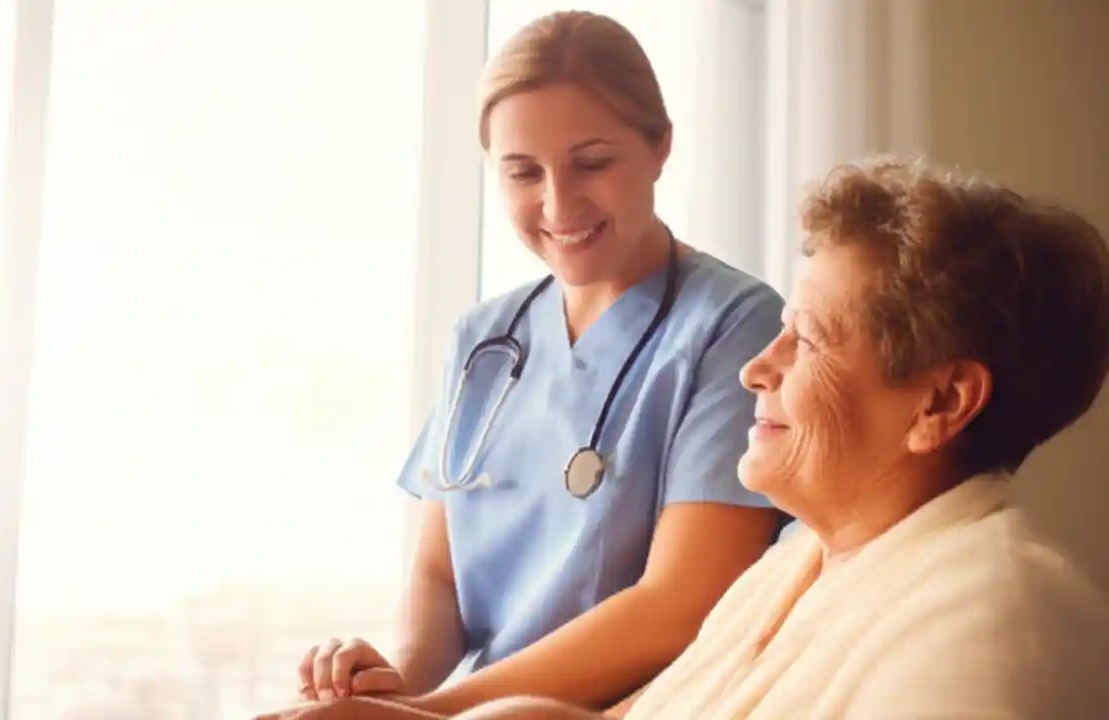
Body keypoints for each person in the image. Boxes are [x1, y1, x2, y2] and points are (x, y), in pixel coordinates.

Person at [260, 157, 1109, 719]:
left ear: (942, 402)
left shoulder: (998, 623)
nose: (755, 369)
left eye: (806, 339)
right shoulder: (803, 561)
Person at [277, 10, 785, 718]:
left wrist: (431, 715)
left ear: (660, 145)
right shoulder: (488, 340)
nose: (558, 202)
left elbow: (679, 608)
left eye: (592, 163)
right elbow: (437, 576)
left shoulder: (738, 328)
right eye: (523, 172)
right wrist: (389, 685)